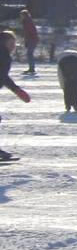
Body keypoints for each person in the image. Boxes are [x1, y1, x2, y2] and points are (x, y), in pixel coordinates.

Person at [0, 31, 31, 160]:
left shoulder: (3, 54)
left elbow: (3, 76)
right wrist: (17, 90)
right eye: (11, 43)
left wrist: (17, 90)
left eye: (15, 43)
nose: (14, 45)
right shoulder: (3, 55)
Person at [19, 9, 39, 75]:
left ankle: (32, 68)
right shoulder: (27, 21)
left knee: (29, 54)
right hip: (32, 39)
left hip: (32, 39)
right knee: (29, 54)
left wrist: (28, 40)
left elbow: (29, 32)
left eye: (21, 15)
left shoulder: (27, 22)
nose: (20, 16)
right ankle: (31, 68)